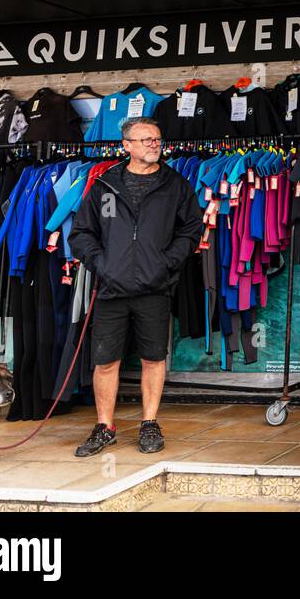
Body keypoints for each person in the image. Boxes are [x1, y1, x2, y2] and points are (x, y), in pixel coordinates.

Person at [69, 117, 202, 456]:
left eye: (157, 139)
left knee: (153, 358)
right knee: (105, 360)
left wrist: (166, 262)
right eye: (145, 140)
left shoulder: (176, 185)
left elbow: (190, 231)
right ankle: (104, 427)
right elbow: (82, 233)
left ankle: (149, 424)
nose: (154, 144)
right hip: (111, 288)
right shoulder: (105, 185)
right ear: (126, 145)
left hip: (155, 287)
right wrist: (102, 264)